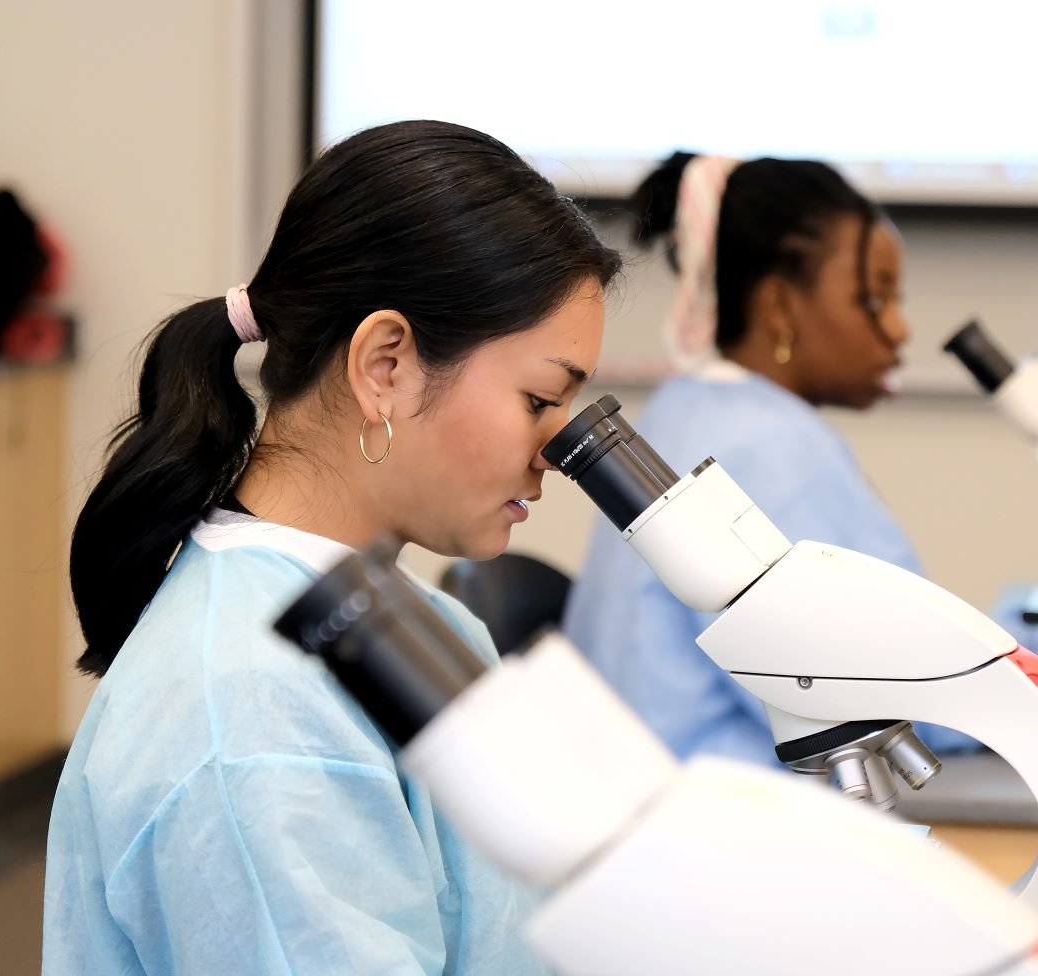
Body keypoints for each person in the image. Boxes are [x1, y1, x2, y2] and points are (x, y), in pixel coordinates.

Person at [44, 121, 620, 975]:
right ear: (383, 364)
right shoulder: (248, 714)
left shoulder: (426, 624)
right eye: (539, 399)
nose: (555, 453)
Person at [563, 152, 975, 765]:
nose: (898, 329)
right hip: (715, 825)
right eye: (873, 297)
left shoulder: (686, 407)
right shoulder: (771, 445)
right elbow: (897, 690)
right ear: (781, 305)